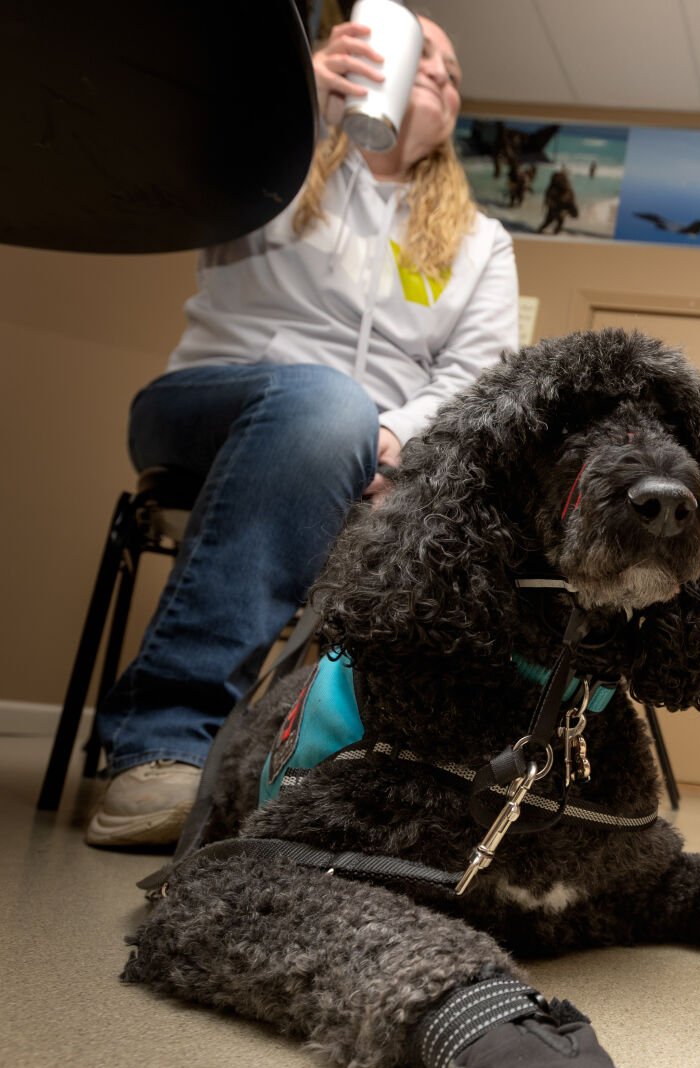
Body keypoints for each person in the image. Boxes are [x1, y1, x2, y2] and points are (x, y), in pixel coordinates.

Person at [86, 14, 520, 847]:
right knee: (326, 407)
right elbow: (170, 187)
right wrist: (298, 104)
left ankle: (342, 777)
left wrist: (394, 435)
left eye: (456, 71)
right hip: (211, 405)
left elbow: (475, 377)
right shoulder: (277, 156)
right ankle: (164, 741)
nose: (441, 73)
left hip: (371, 450)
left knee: (445, 502)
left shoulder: (479, 242)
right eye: (422, 52)